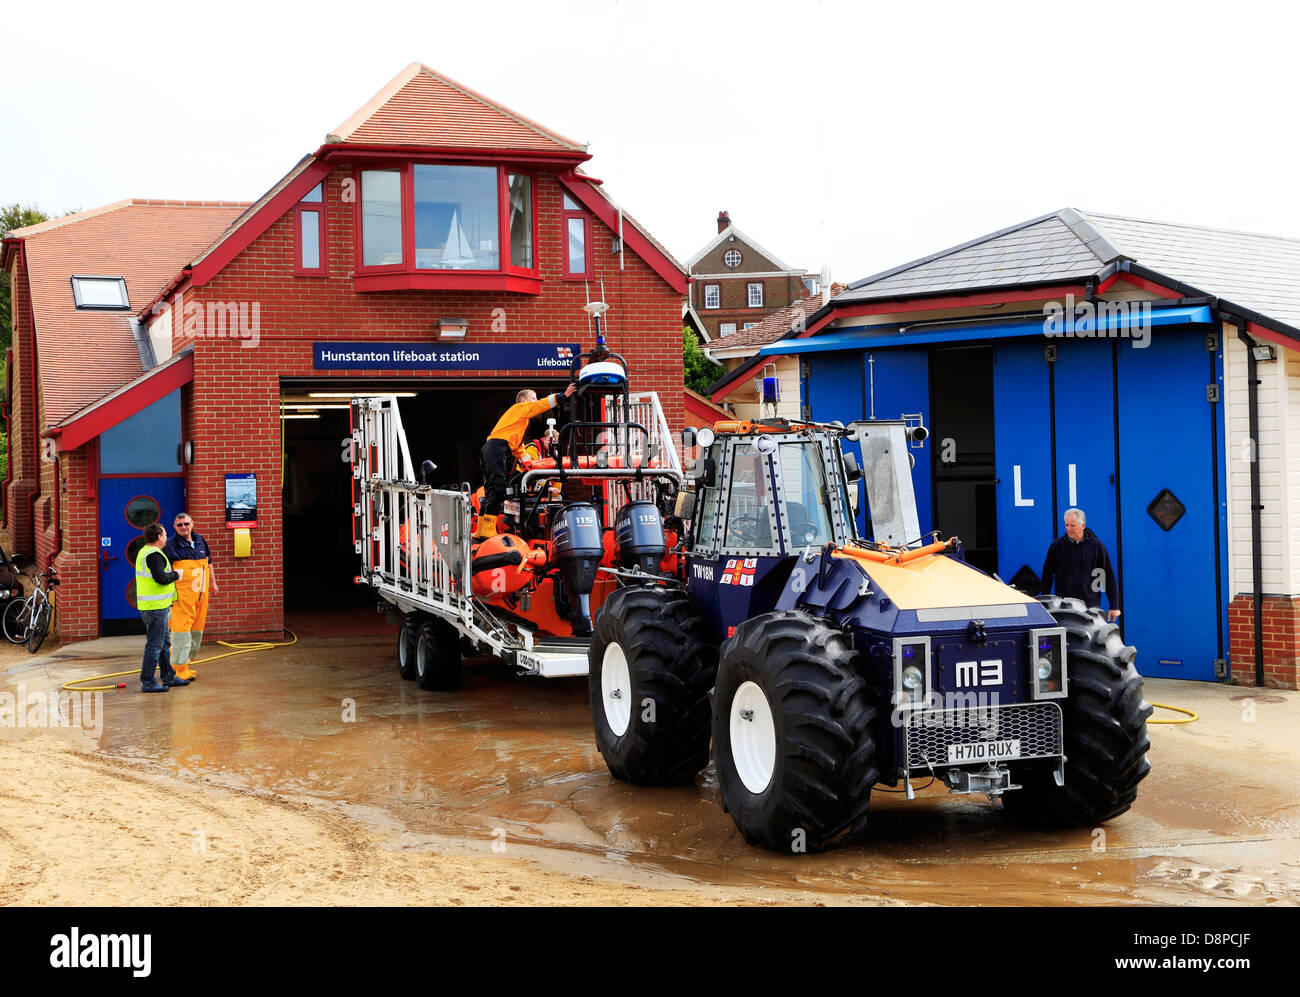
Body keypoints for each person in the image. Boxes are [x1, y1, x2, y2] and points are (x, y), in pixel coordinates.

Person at [475, 383, 576, 539]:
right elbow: (540, 405)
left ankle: (482, 528)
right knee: (497, 489)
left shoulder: (519, 421)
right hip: (497, 448)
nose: (535, 401)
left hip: (493, 448)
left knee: (492, 490)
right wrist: (563, 396)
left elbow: (518, 448)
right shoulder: (519, 409)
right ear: (523, 400)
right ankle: (487, 529)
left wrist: (530, 465)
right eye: (533, 398)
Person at [135, 523, 190, 693]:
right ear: (159, 537)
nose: (166, 536)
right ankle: (148, 682)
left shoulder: (148, 552)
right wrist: (176, 575)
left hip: (159, 606)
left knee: (164, 643)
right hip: (155, 608)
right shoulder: (153, 555)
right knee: (155, 645)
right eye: (165, 534)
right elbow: (161, 578)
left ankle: (169, 677)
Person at [1040, 507, 1122, 622]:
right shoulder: (1056, 546)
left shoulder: (1096, 546)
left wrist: (1114, 605)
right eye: (1066, 525)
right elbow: (1047, 576)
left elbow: (1107, 575)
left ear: (1082, 525)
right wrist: (1044, 604)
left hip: (1090, 605)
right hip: (1064, 606)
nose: (1069, 529)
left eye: (1072, 525)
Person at [164, 512, 217, 681]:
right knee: (181, 631)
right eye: (179, 525)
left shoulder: (200, 540)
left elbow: (208, 563)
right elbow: (164, 569)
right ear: (174, 527)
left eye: (186, 524)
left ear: (192, 524)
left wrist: (213, 584)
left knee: (196, 629)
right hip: (182, 595)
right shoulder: (170, 545)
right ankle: (177, 669)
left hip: (201, 593)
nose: (183, 527)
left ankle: (186, 664)